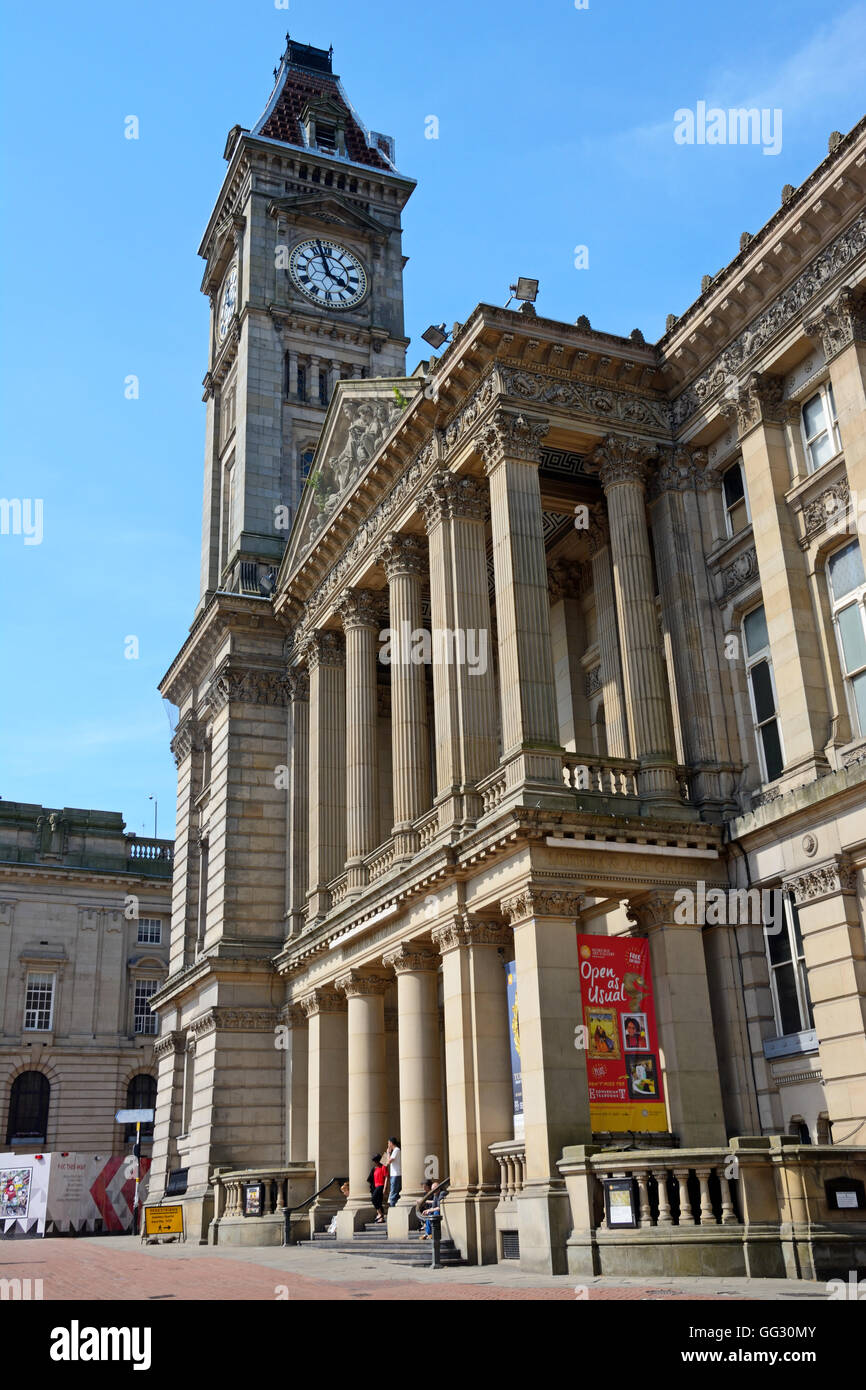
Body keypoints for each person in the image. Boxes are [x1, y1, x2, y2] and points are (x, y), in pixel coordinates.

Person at [382, 1137, 402, 1207]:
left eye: (388, 1143)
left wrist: (388, 1153)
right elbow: (384, 1162)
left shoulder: (396, 1150)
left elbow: (387, 1162)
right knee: (394, 1192)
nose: (388, 1145)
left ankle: (392, 1207)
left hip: (396, 1174)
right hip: (394, 1175)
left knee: (393, 1192)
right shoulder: (395, 1151)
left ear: (391, 1143)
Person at [367, 1153, 388, 1222]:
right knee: (378, 1202)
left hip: (381, 1186)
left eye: (376, 1161)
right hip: (375, 1187)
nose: (375, 1162)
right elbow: (370, 1179)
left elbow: (386, 1177)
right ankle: (381, 1218)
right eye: (374, 1161)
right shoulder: (375, 1168)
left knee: (373, 1199)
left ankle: (380, 1214)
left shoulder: (383, 1166)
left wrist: (385, 1188)